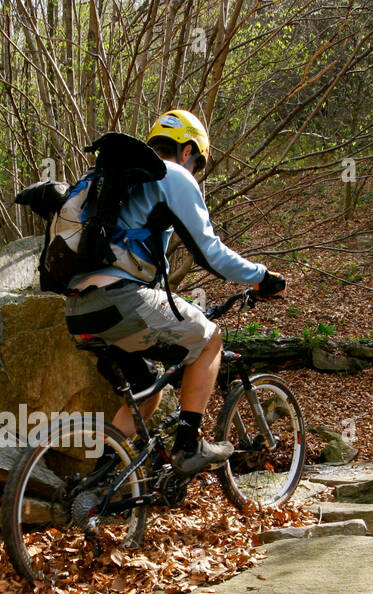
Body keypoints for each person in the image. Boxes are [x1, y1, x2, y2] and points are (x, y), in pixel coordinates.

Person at [65, 109, 285, 475]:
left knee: (148, 390)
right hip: (122, 300)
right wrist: (261, 276)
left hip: (79, 308)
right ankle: (188, 446)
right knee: (210, 339)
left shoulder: (111, 179)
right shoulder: (173, 175)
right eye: (197, 161)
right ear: (187, 151)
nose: (194, 169)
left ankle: (99, 480)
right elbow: (210, 254)